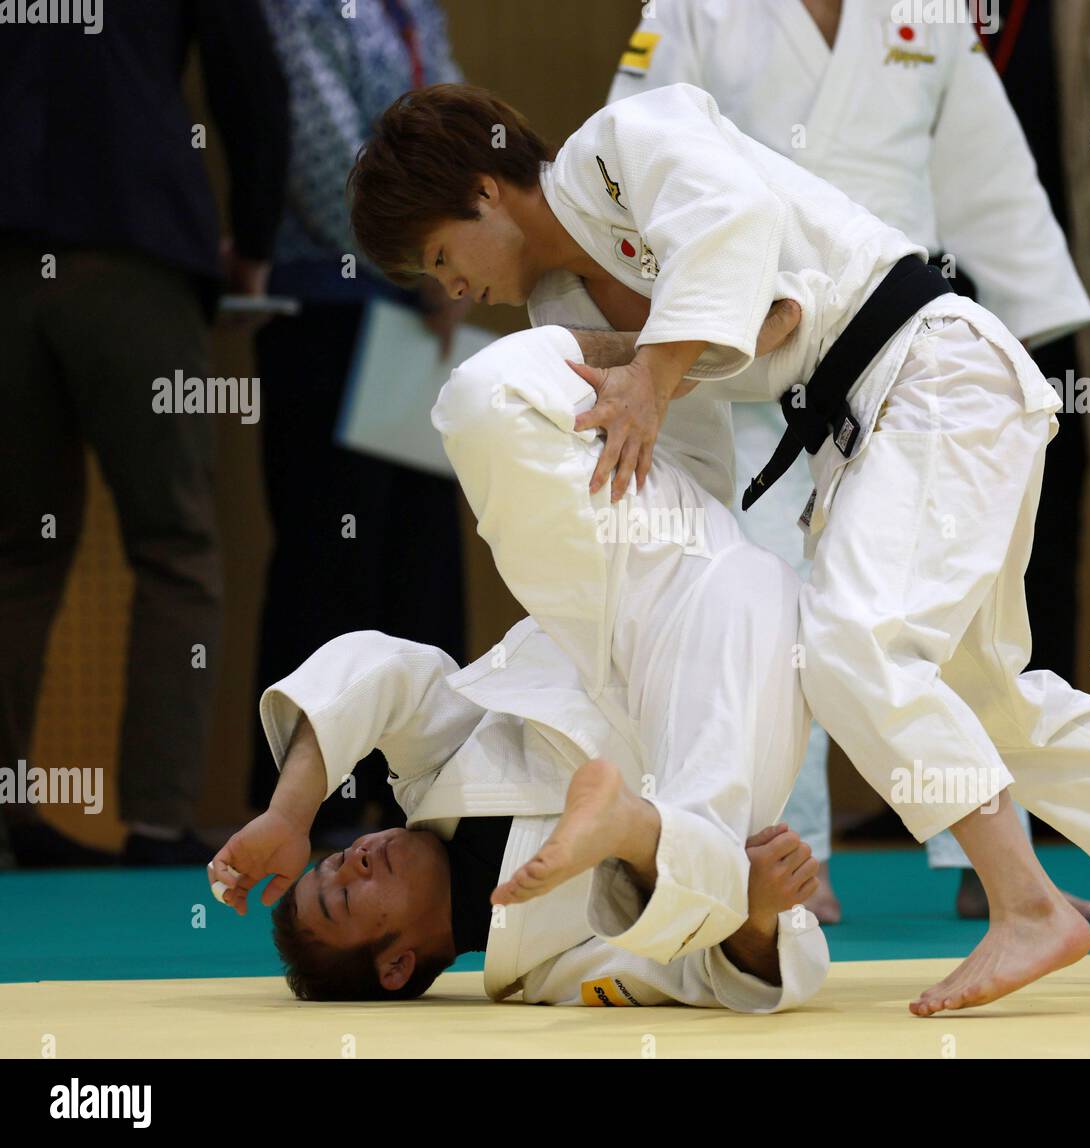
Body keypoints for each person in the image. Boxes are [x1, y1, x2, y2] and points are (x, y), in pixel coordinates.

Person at [345, 82, 1090, 1013]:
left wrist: (667, 364)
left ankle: (1027, 904)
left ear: (480, 190)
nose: (453, 290)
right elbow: (697, 429)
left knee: (852, 649)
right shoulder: (559, 315)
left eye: (439, 257)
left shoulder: (623, 142)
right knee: (971, 694)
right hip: (865, 433)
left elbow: (740, 225)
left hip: (930, 374)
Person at [606, 0, 1090, 921]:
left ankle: (986, 864)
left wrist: (1031, 315)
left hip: (900, 336)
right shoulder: (693, 10)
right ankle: (793, 859)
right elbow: (636, 160)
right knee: (764, 603)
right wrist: (658, 339)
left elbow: (983, 167)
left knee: (940, 611)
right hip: (753, 339)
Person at [210, 323, 831, 1010]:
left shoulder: (431, 774)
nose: (352, 861)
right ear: (395, 967)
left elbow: (379, 669)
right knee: (710, 831)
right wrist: (759, 918)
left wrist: (291, 814)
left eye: (332, 864)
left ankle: (708, 316)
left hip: (657, 560)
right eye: (345, 898)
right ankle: (632, 827)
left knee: (508, 387)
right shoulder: (544, 967)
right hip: (737, 667)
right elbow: (695, 980)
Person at [0, 0, 289, 867]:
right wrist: (254, 240)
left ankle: (9, 816)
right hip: (137, 243)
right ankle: (159, 821)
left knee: (15, 552)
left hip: (4, 258)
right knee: (175, 544)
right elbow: (253, 82)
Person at [249, 0, 470, 848]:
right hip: (331, 307)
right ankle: (315, 803)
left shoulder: (414, 7)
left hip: (421, 315)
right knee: (328, 551)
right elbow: (319, 158)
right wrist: (425, 255)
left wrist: (443, 263)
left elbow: (447, 135)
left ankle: (420, 792)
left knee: (421, 556)